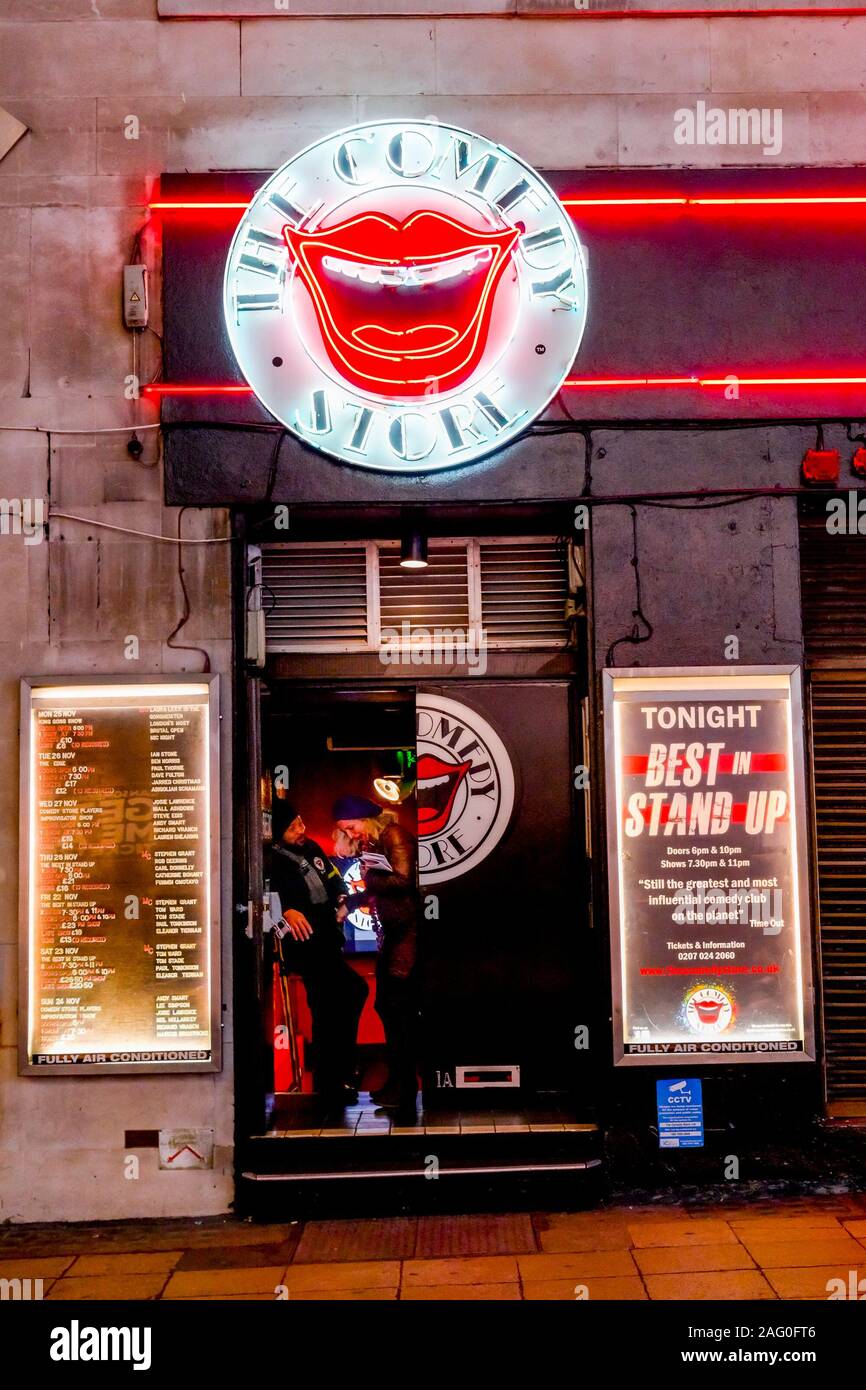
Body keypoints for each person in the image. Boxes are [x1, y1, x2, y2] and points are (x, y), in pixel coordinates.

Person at [268, 798, 368, 1106]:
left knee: (337, 1002)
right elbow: (262, 897)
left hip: (327, 940)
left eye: (300, 821)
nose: (302, 829)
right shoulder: (271, 859)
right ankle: (335, 1077)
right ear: (277, 832)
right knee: (344, 996)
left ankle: (335, 1076)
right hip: (304, 946)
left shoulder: (311, 849)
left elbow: (333, 879)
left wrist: (341, 899)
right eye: (293, 826)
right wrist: (285, 911)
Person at [332, 794, 420, 1122]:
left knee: (399, 1012)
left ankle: (405, 1087)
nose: (351, 833)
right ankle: (397, 1082)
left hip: (406, 938)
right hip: (393, 937)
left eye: (351, 826)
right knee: (388, 1008)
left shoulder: (394, 835)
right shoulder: (378, 840)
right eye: (345, 830)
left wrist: (369, 877)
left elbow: (404, 879)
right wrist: (354, 901)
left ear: (366, 817)